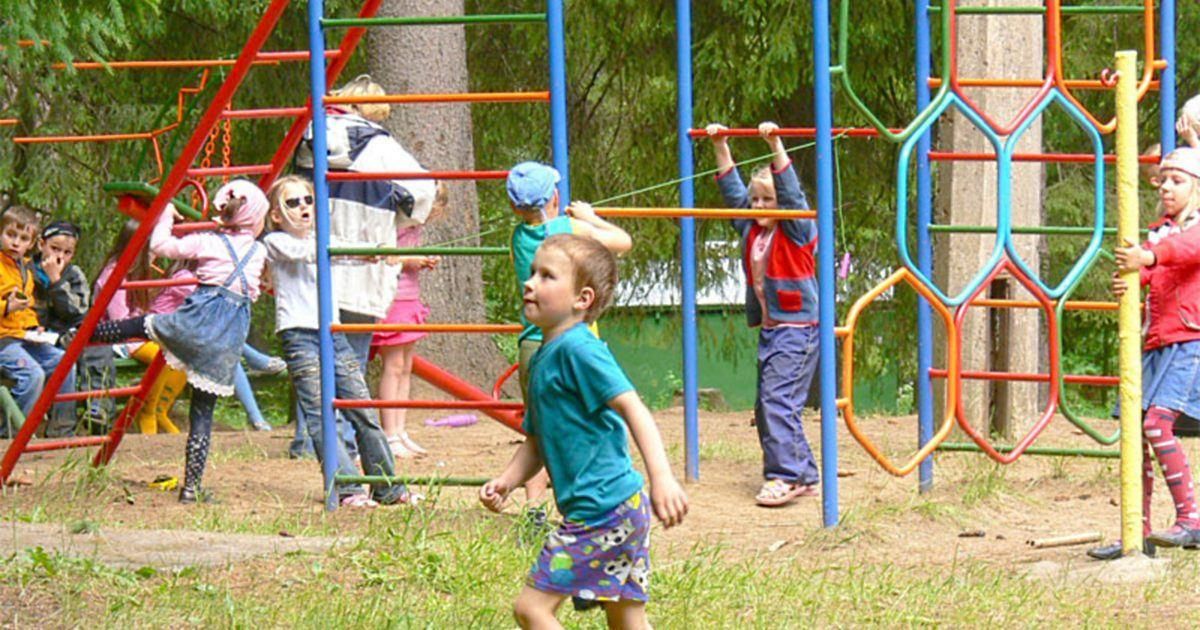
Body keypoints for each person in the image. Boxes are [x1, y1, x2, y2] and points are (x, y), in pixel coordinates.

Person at [480, 234, 687, 629]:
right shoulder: (544, 357)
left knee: (532, 609)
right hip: (617, 509)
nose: (530, 283)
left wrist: (662, 478)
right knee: (626, 618)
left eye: (546, 276)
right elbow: (537, 440)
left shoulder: (580, 349)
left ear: (583, 299)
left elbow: (634, 409)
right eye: (531, 273)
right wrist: (507, 481)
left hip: (603, 512)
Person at [88, 180, 268, 504]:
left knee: (146, 325)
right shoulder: (259, 252)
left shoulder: (207, 242)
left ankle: (89, 333)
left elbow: (161, 247)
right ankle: (191, 487)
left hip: (194, 322)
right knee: (202, 415)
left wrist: (166, 216)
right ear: (256, 221)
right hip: (225, 336)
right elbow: (252, 292)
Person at [262, 175, 412, 507]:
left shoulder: (321, 240)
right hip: (299, 335)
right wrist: (346, 249)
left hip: (332, 332)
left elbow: (335, 254)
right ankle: (348, 489)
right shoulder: (276, 242)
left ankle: (387, 486)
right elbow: (309, 253)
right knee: (319, 415)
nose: (303, 207)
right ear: (275, 215)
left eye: (307, 200)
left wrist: (366, 254)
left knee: (362, 408)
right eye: (292, 202)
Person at [506, 161, 632, 527]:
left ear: (516, 208)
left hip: (532, 347)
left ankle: (533, 508)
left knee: (539, 429)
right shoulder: (570, 231)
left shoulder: (519, 237)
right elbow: (623, 242)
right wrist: (592, 218)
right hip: (573, 343)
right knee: (589, 424)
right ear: (555, 198)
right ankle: (594, 503)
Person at [1091, 148, 1200, 558]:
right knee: (1135, 434)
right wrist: (1132, 281)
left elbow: (1188, 252)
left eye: (1178, 181)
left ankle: (1192, 520)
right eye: (1163, 180)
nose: (1167, 188)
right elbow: (1154, 269)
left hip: (1190, 341)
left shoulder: (1189, 232)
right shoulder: (1160, 231)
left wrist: (1150, 258)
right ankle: (1137, 533)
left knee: (1157, 424)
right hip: (1156, 341)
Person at [706, 121, 820, 507]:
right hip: (773, 328)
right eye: (756, 201)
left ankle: (784, 476)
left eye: (767, 201)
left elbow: (791, 193)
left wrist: (775, 144)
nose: (759, 207)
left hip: (798, 327)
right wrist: (721, 145)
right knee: (768, 402)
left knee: (777, 400)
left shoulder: (798, 230)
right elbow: (732, 192)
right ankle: (802, 471)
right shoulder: (751, 230)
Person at [371, 182, 446, 458]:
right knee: (394, 366)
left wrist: (422, 259)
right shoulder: (390, 222)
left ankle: (400, 430)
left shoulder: (415, 227)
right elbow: (386, 256)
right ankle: (389, 434)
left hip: (410, 299)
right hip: (392, 300)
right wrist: (413, 259)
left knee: (405, 366)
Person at [0, 206, 77, 437]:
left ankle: (61, 430)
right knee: (33, 375)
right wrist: (6, 307)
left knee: (65, 363)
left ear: (31, 243)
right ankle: (13, 435)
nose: (15, 242)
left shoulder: (25, 270)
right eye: (10, 235)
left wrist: (34, 326)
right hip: (4, 341)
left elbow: (28, 306)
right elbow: (11, 307)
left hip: (24, 336)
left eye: (23, 238)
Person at [31, 221, 108, 432]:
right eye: (55, 249)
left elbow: (77, 311)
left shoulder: (73, 274)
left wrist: (57, 281)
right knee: (66, 359)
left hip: (66, 333)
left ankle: (96, 406)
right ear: (41, 245)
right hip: (34, 335)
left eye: (67, 252)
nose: (59, 257)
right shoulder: (27, 271)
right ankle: (61, 427)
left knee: (98, 342)